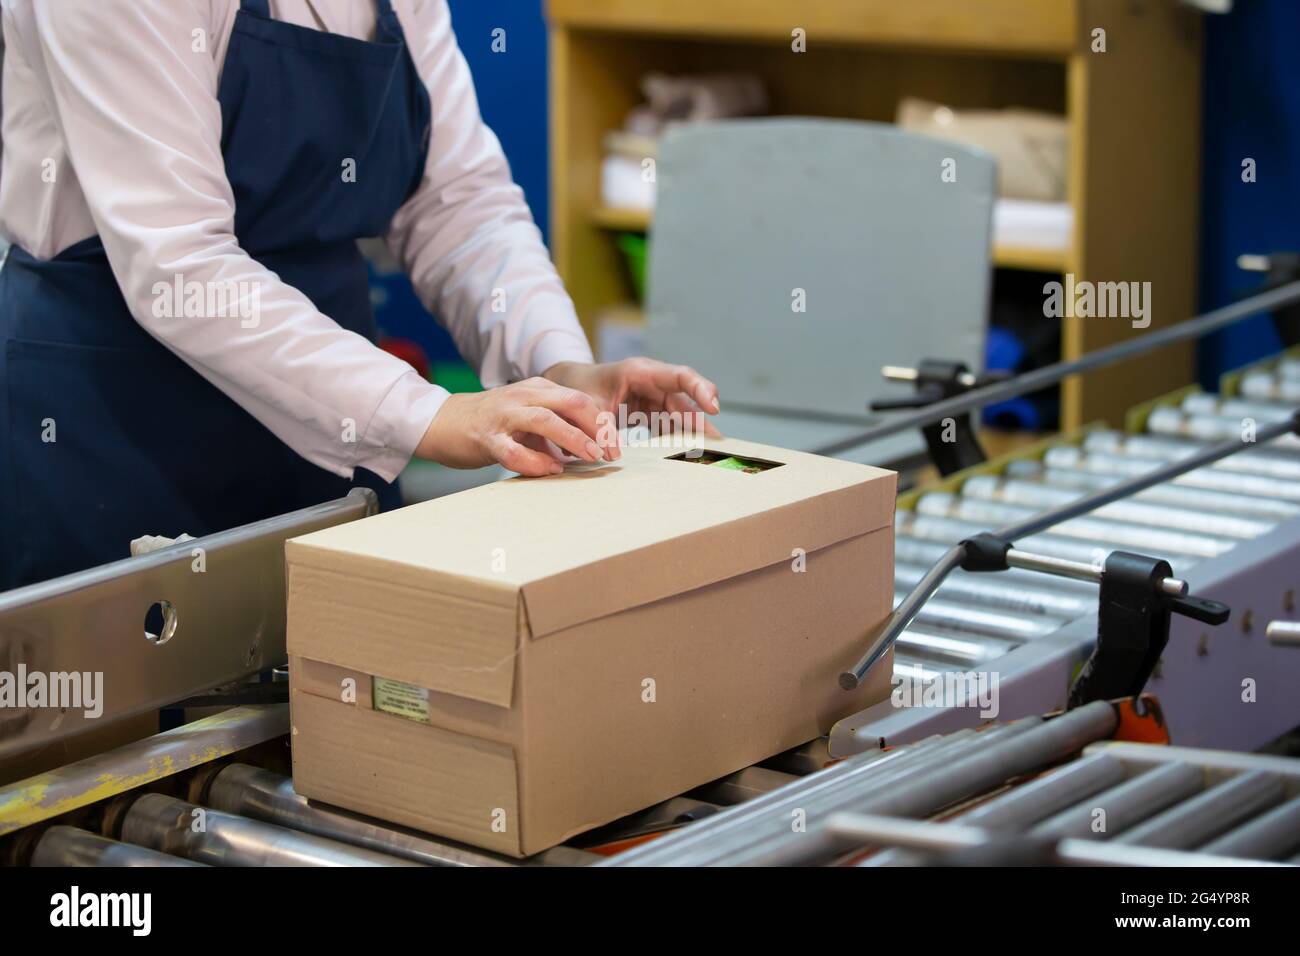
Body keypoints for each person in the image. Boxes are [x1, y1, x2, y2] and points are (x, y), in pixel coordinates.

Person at [0, 0, 719, 590]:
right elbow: (180, 265)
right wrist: (430, 414)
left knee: (346, 713)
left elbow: (455, 203)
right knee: (130, 752)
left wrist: (556, 370)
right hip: (110, 423)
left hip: (331, 426)